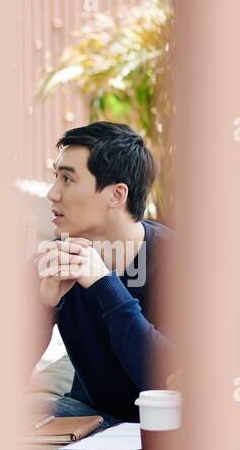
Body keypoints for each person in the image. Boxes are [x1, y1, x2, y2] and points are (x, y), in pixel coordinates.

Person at [34, 121, 175, 424]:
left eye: (67, 179)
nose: (52, 193)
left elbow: (169, 381)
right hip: (87, 422)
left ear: (116, 195)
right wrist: (42, 306)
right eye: (55, 177)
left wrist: (105, 285)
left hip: (167, 429)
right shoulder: (59, 257)